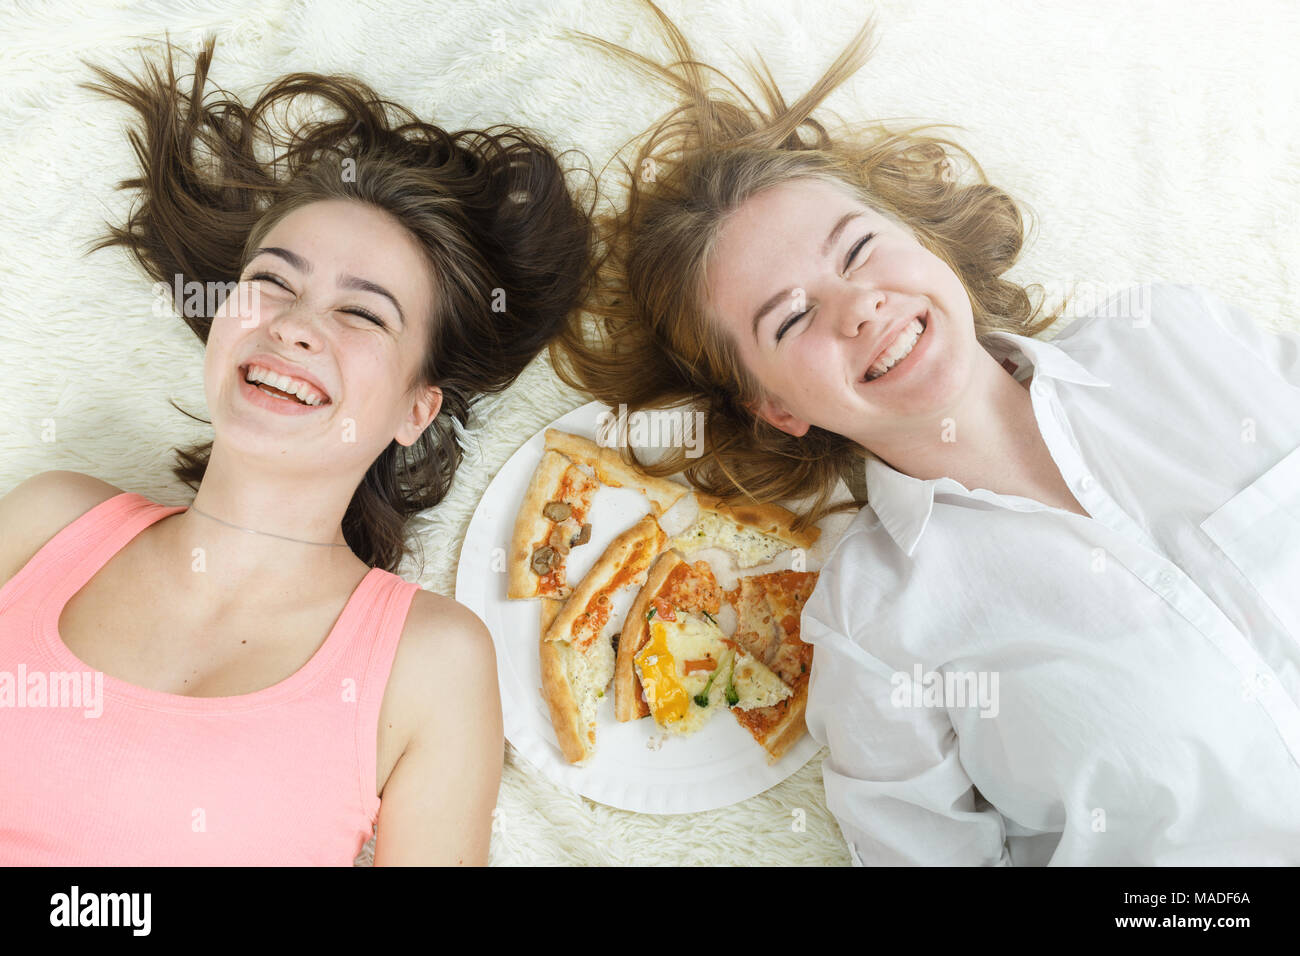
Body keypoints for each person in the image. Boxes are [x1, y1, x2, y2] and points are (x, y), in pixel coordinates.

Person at [550, 1, 1300, 864]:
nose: (857, 305)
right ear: (777, 409)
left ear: (925, 242)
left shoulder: (1176, 338)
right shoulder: (873, 628)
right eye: (790, 320)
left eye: (859, 249)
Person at [0, 37, 594, 865]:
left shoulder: (431, 664)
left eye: (363, 314)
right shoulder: (46, 521)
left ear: (416, 411)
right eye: (275, 280)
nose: (293, 325)